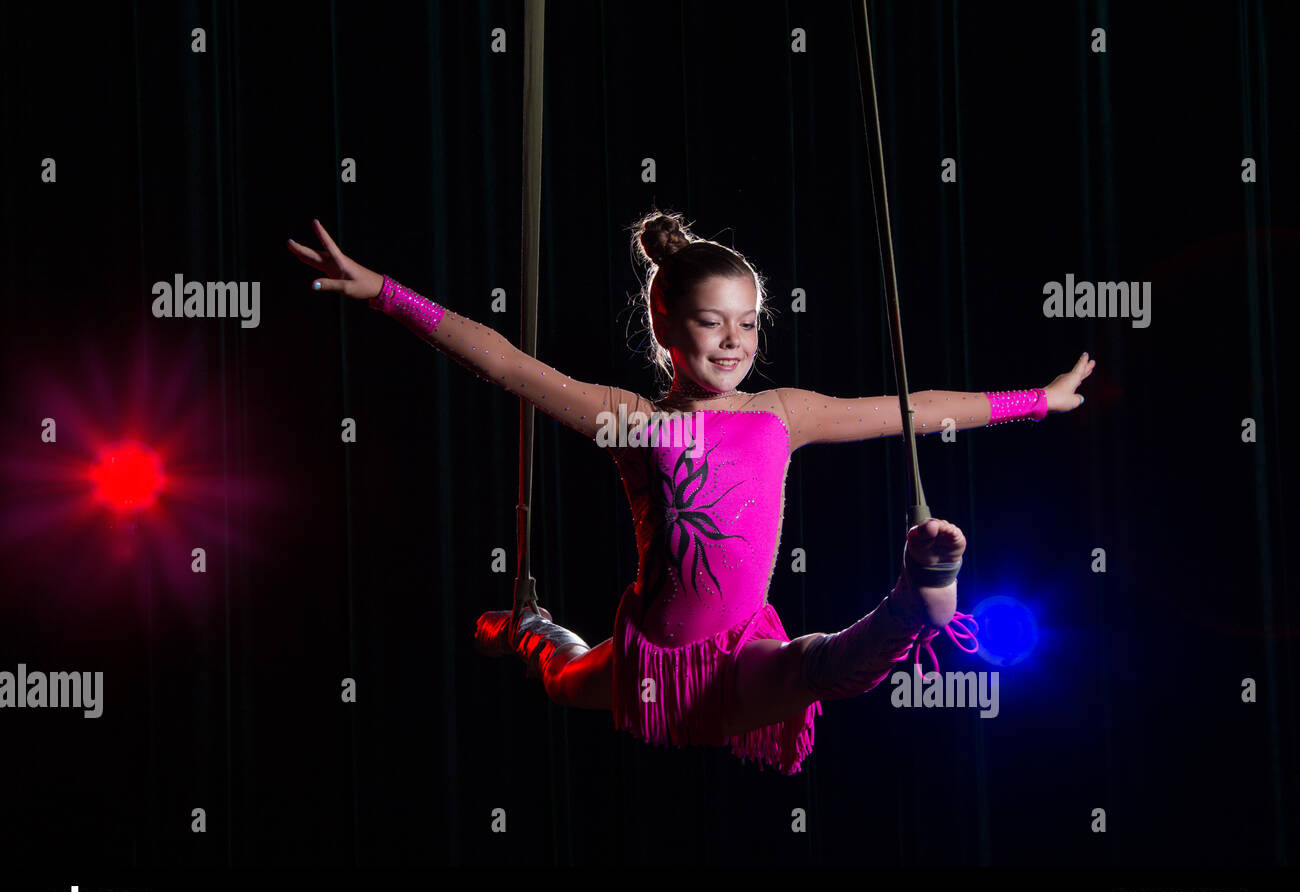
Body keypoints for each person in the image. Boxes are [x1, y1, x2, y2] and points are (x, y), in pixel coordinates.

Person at [288, 210, 1095, 775]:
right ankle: (530, 625)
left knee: (828, 668)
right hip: (644, 655)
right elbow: (504, 363)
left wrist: (1039, 400)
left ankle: (919, 597)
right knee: (561, 673)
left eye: (748, 323)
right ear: (665, 327)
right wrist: (386, 293)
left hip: (740, 657)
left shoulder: (783, 417)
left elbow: (916, 410)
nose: (735, 341)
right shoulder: (632, 423)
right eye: (712, 323)